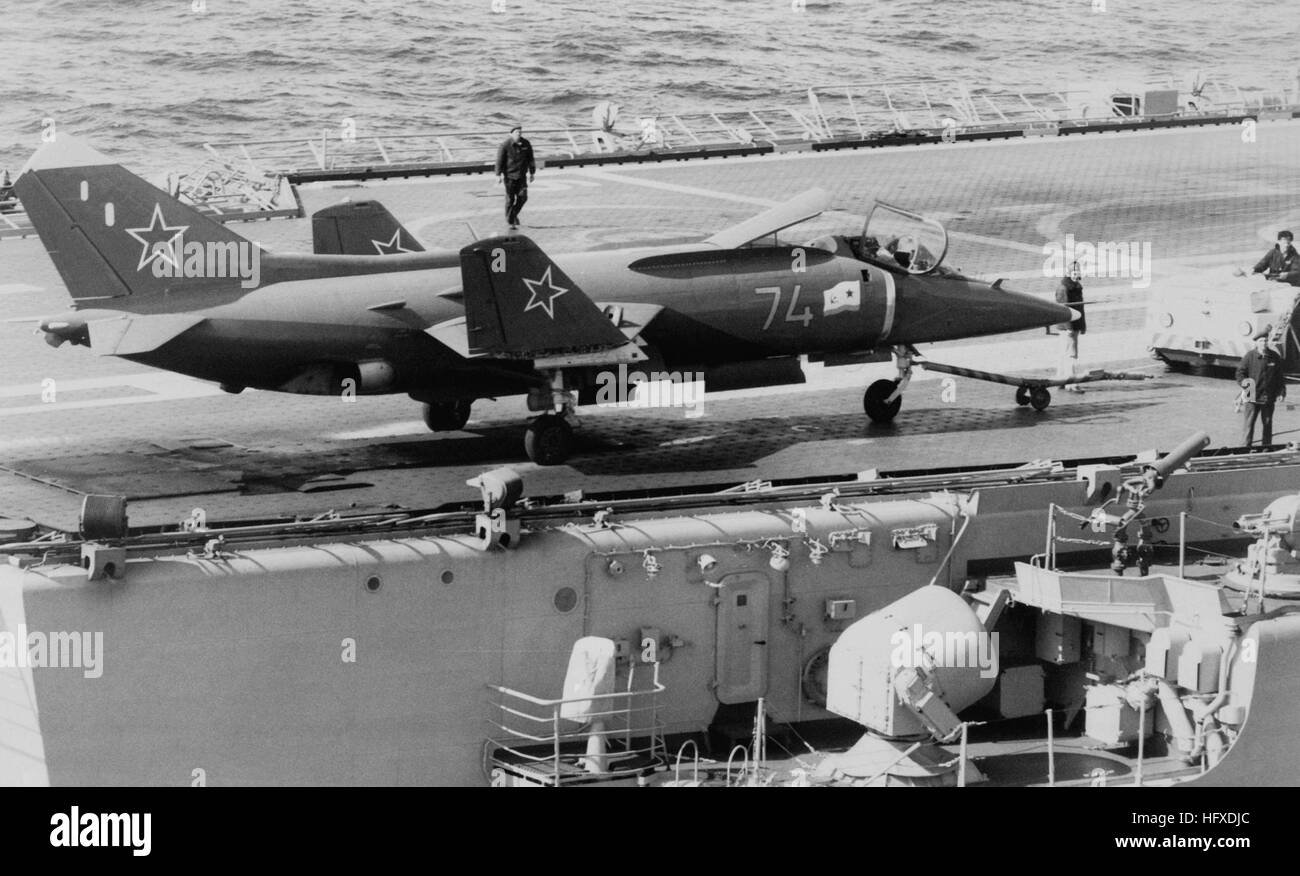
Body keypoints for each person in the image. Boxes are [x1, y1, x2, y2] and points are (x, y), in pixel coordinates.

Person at [1235, 325, 1287, 446]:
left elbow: (1279, 377)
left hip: (1268, 397)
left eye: (1265, 340)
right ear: (1256, 343)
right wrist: (1247, 387)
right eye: (1261, 341)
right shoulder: (1249, 357)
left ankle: (1266, 447)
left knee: (1267, 423)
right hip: (1251, 396)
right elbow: (1239, 373)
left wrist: (1282, 392)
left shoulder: (1274, 357)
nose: (1263, 343)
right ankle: (1245, 448)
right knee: (1249, 424)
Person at [494, 125, 535, 229]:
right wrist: (498, 175)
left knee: (523, 197)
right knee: (510, 200)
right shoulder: (505, 145)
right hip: (510, 176)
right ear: (511, 134)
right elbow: (499, 161)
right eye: (516, 132)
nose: (519, 134)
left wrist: (532, 172)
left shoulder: (526, 143)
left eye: (520, 132)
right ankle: (510, 221)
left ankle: (512, 215)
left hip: (521, 176)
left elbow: (531, 159)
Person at [1054, 261, 1086, 391]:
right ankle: (1071, 382)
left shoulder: (1076, 286)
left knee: (1064, 353)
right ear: (1068, 272)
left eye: (1078, 271)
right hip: (1068, 327)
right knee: (1071, 354)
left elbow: (1080, 308)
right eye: (1074, 272)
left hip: (1073, 325)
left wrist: (1082, 326)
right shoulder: (1064, 288)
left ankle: (1060, 379)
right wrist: (1069, 328)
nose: (1076, 274)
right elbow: (1064, 310)